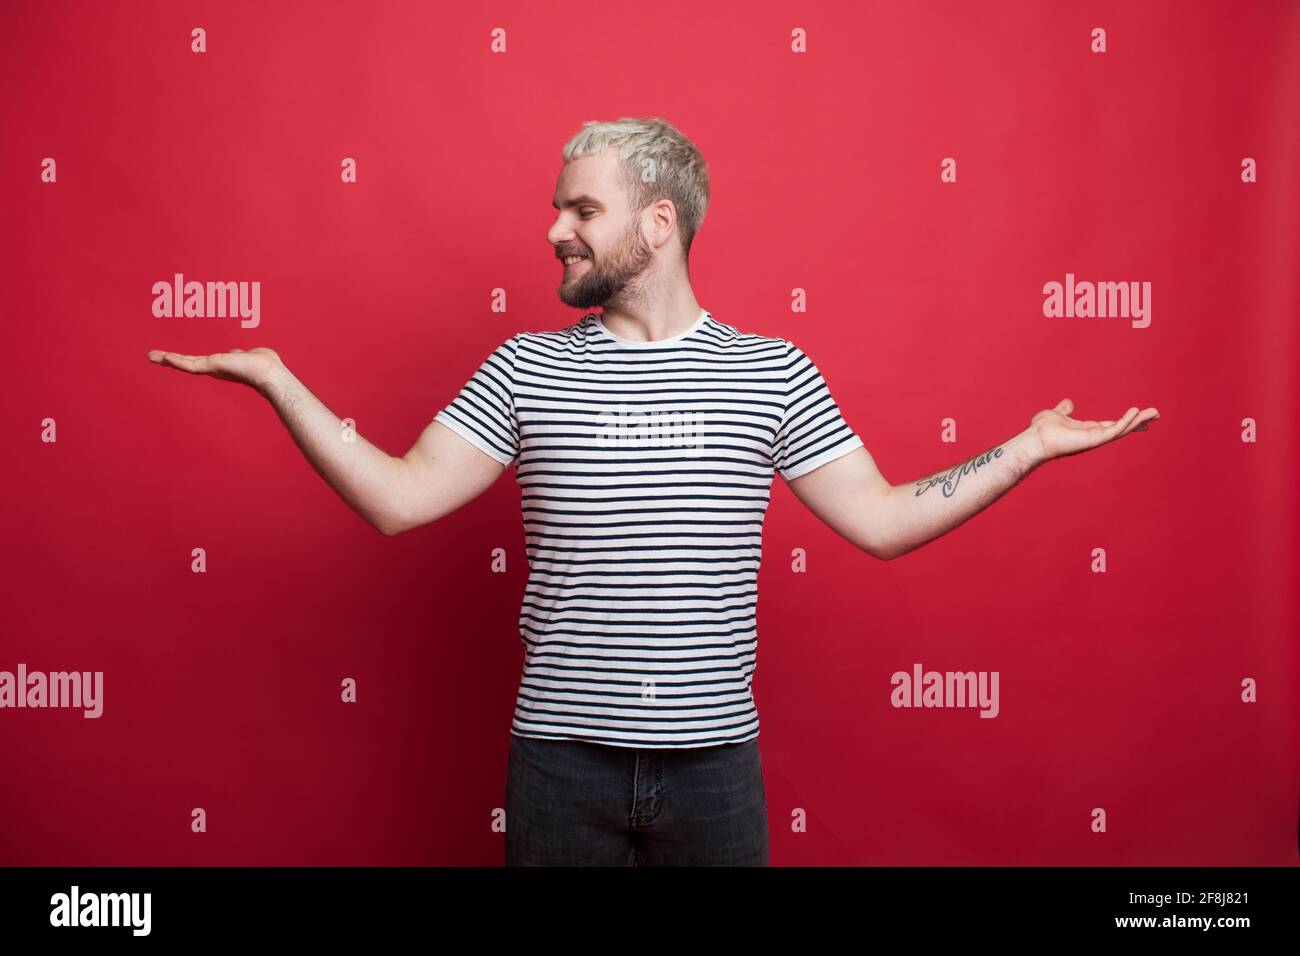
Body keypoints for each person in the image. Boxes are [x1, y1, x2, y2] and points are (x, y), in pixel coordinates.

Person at [146, 117, 1159, 866]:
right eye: (556, 207)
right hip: (557, 767)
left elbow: (884, 519)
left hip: (715, 768)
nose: (554, 229)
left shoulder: (772, 372)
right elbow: (399, 497)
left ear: (659, 221)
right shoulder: (524, 368)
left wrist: (1021, 450)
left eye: (582, 207)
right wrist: (281, 381)